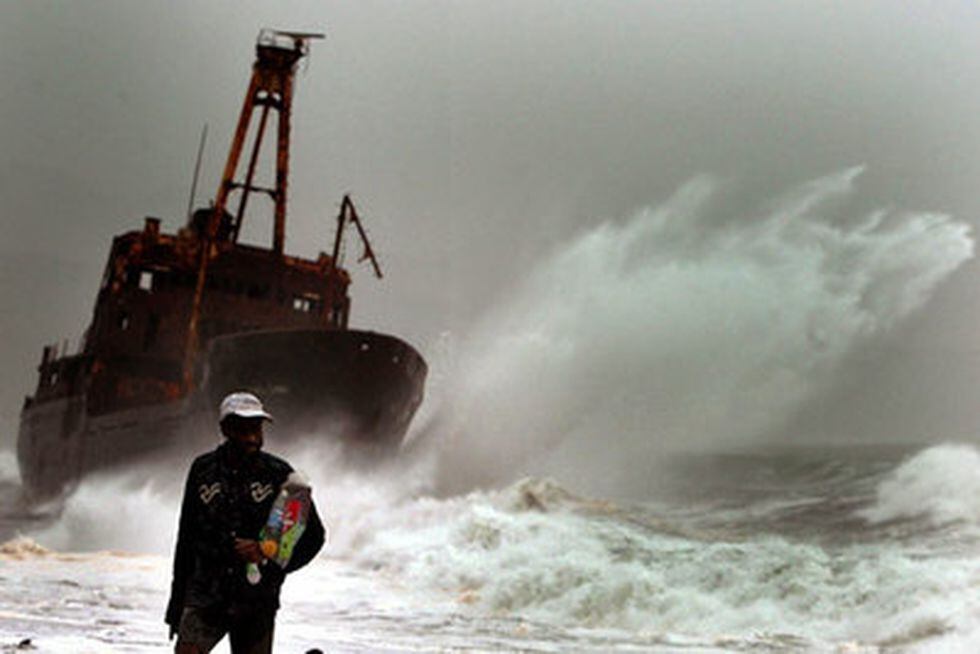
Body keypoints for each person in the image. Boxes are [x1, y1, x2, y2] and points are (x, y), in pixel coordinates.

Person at [165, 391, 325, 654]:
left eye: (257, 428)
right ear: (225, 429)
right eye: (243, 428)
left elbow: (314, 537)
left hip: (255, 601)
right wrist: (176, 604)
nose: (252, 436)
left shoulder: (280, 474)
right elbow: (186, 539)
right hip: (205, 596)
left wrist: (267, 553)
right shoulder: (202, 470)